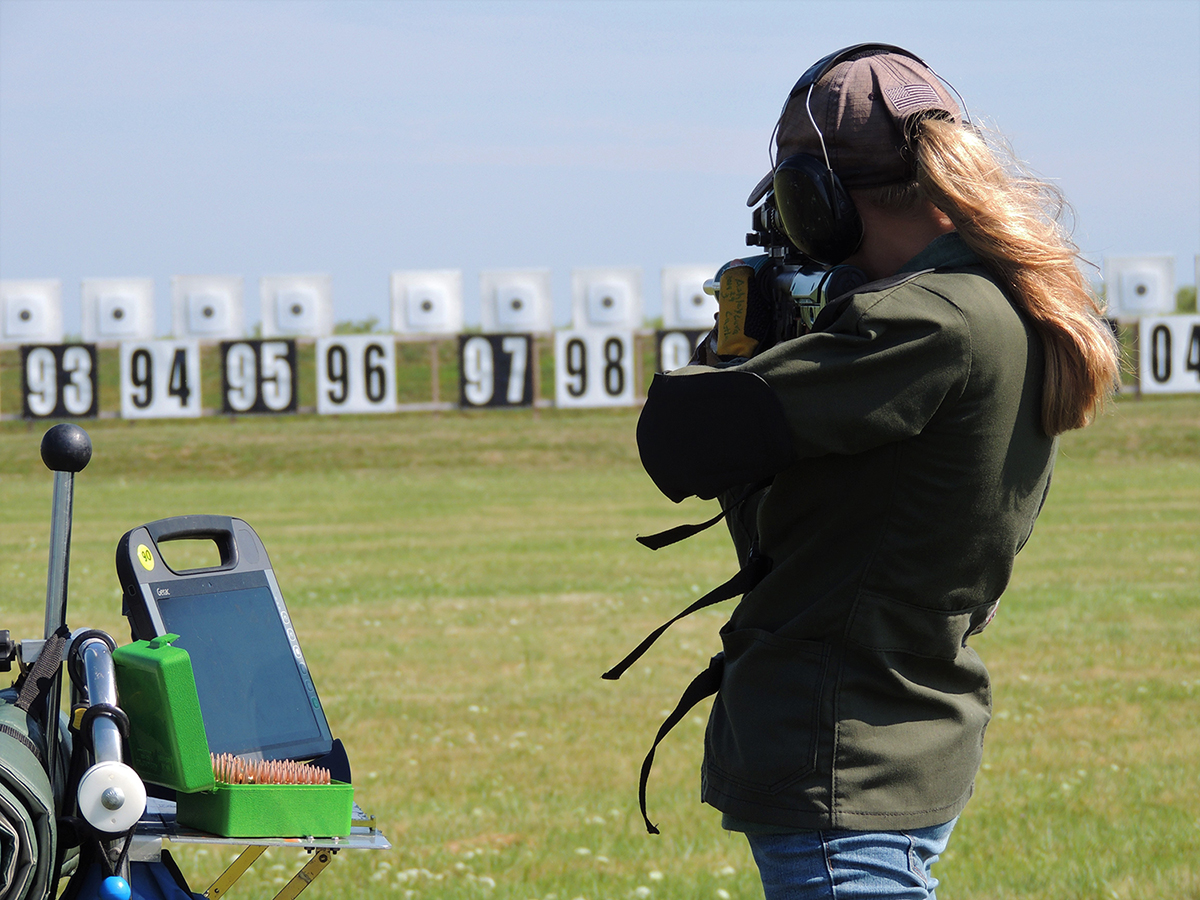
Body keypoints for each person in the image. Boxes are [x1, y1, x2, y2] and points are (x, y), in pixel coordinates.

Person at [619, 44, 1120, 899]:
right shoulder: (999, 300)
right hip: (901, 725)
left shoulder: (921, 324)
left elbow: (680, 441)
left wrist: (740, 344)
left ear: (816, 199)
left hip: (842, 745)